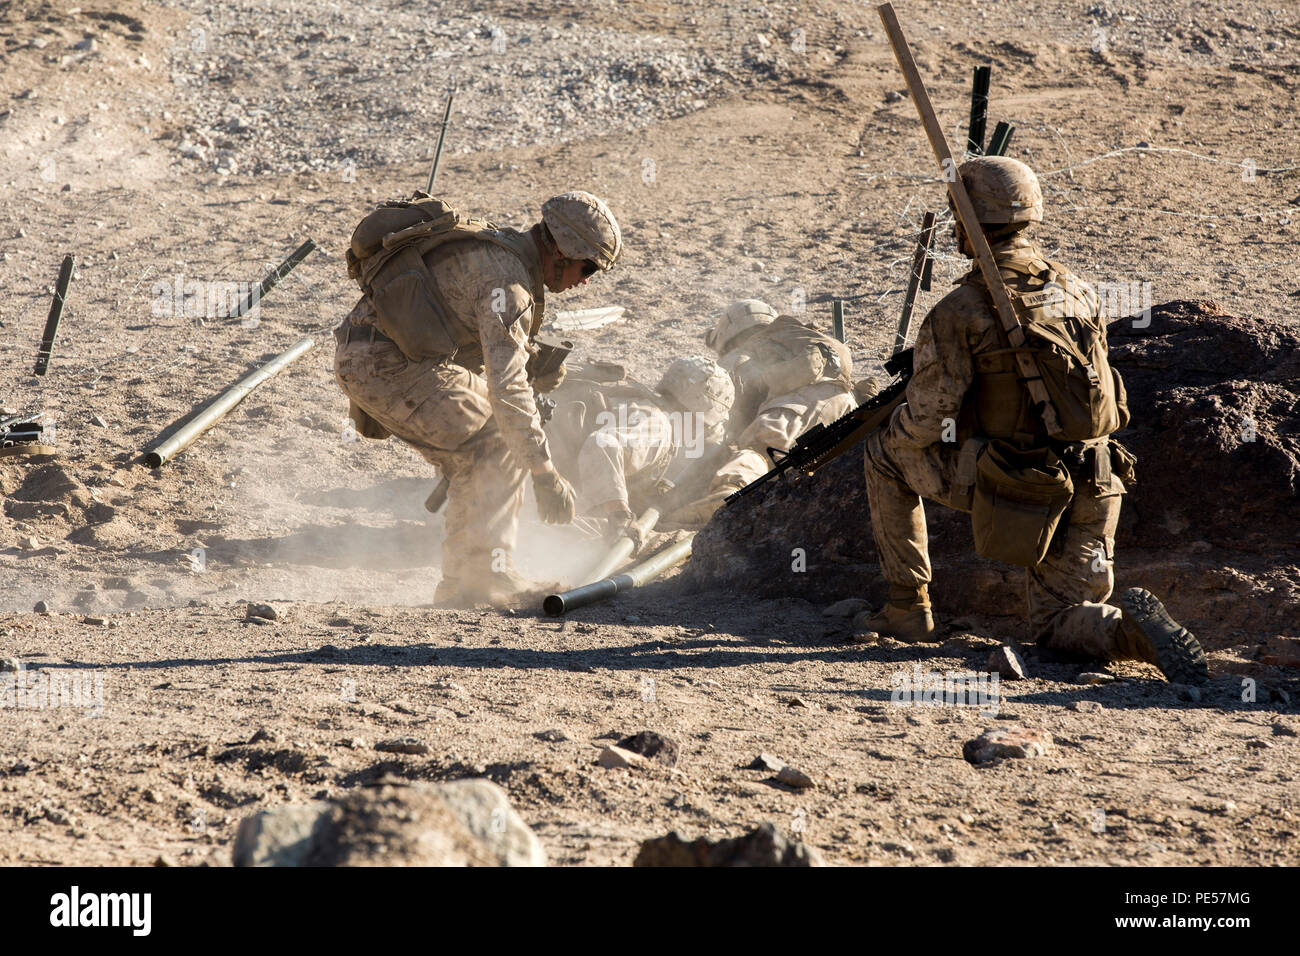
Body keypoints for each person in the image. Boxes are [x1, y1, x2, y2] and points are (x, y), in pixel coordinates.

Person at [855, 155, 1208, 684]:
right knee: (1059, 620)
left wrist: (901, 434)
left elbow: (930, 414)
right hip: (1097, 477)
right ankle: (1130, 630)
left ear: (965, 224)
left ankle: (909, 609)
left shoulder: (961, 309)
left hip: (1014, 482)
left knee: (884, 454)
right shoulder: (1078, 289)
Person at [334, 190, 622, 606]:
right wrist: (544, 473)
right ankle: (484, 573)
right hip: (389, 364)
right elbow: (508, 391)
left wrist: (531, 357)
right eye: (587, 266)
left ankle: (462, 583)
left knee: (474, 454)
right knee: (499, 439)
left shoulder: (499, 254)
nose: (586, 279)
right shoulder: (508, 283)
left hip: (371, 355)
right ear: (562, 251)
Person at [670, 299, 858, 522]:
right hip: (846, 406)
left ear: (728, 337)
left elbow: (716, 408)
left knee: (758, 447)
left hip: (795, 407)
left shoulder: (742, 353)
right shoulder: (788, 341)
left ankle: (729, 493)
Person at [547, 356, 734, 546]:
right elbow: (602, 444)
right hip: (543, 501)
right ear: (697, 416)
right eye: (705, 425)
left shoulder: (635, 400)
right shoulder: (659, 427)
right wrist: (620, 516)